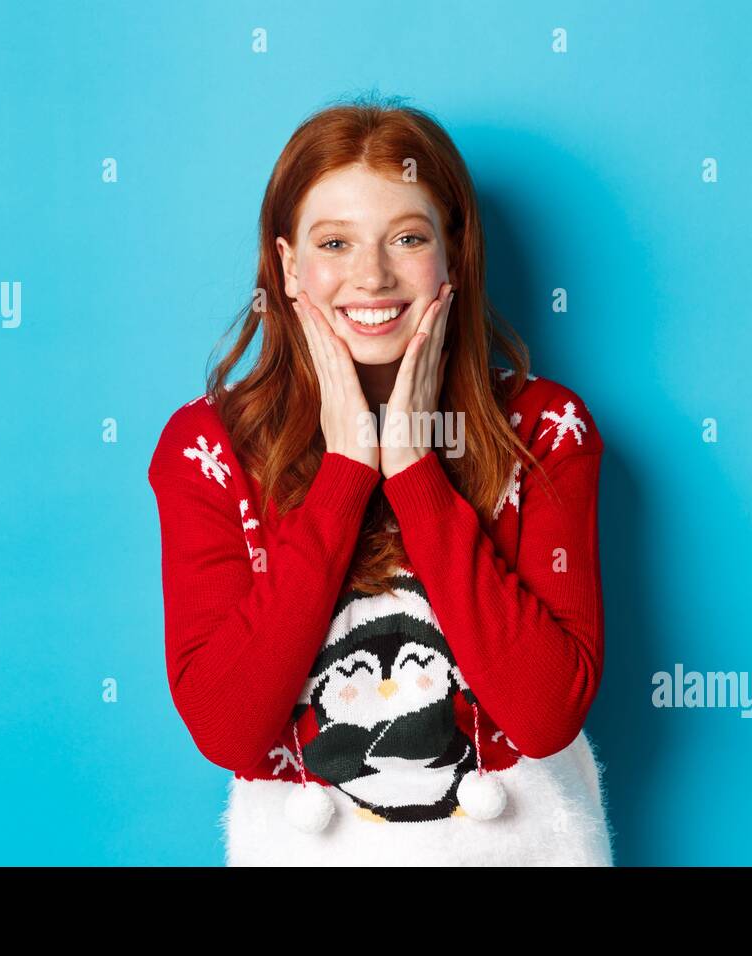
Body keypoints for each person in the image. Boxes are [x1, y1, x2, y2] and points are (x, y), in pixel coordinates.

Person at [147, 95, 614, 865]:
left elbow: (542, 715)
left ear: (454, 255)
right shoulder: (208, 447)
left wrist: (415, 469)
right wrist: (344, 473)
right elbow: (228, 728)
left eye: (406, 237)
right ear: (288, 262)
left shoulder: (545, 429)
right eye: (335, 242)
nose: (372, 275)